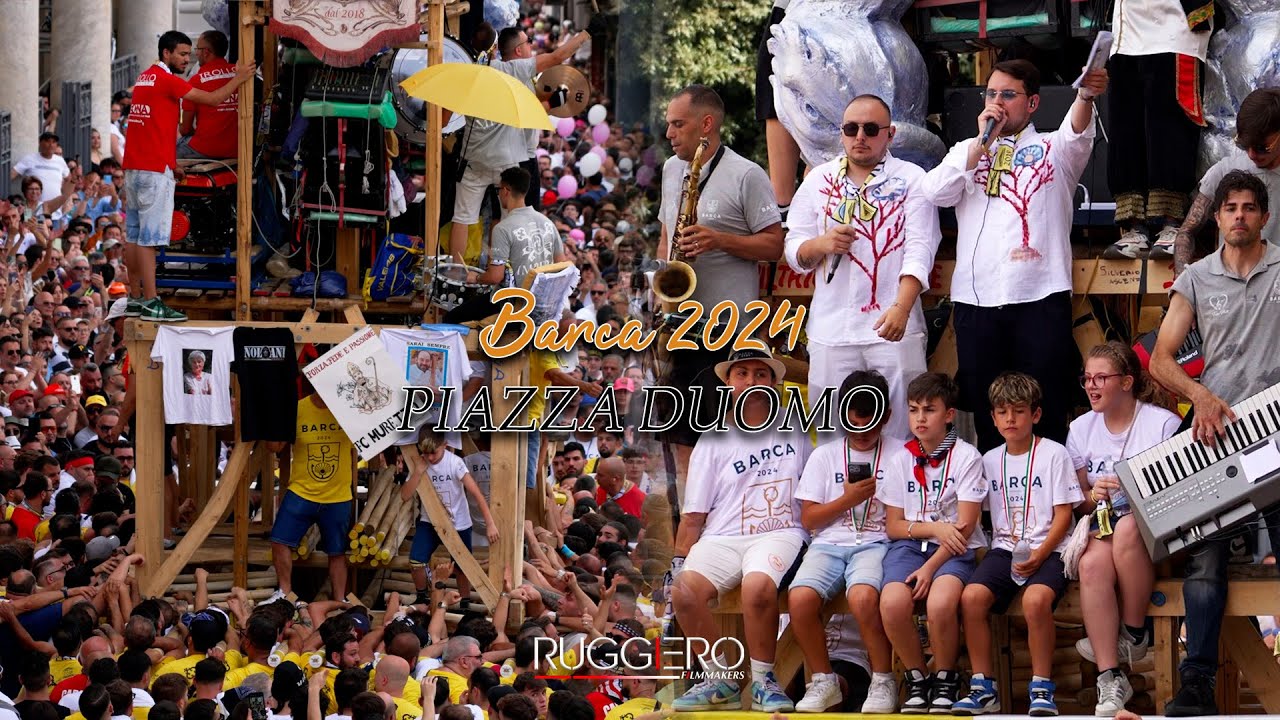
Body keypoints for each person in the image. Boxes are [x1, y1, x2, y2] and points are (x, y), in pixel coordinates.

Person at [918, 60, 1109, 451]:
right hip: (978, 301)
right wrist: (978, 148)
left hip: (1039, 299)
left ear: (1033, 103)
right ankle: (996, 510)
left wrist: (1086, 94)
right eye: (991, 93)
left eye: (1009, 94)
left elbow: (1077, 133)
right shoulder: (967, 150)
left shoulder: (1051, 148)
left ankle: (1052, 504)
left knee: (1046, 407)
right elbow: (935, 192)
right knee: (991, 414)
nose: (997, 102)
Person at [1150, 170, 1280, 715]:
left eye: (1250, 207)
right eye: (1230, 208)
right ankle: (1197, 683)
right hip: (1219, 432)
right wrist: (1199, 396)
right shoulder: (1197, 278)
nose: (1240, 216)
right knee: (1203, 562)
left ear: (1264, 217)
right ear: (1218, 217)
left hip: (1275, 427)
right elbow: (1159, 360)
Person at [784, 94, 940, 442]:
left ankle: (899, 497)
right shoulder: (818, 181)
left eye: (871, 129)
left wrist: (901, 308)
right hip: (831, 329)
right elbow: (794, 250)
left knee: (903, 431)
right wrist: (822, 244)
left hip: (893, 325)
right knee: (831, 436)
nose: (860, 136)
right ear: (841, 133)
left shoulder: (912, 179)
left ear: (891, 134)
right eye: (851, 128)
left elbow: (920, 249)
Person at [669, 348, 809, 713]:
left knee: (758, 585)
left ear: (775, 383)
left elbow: (811, 492)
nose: (751, 381)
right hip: (723, 536)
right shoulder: (712, 438)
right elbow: (694, 514)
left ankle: (764, 679)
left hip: (780, 530)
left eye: (761, 374)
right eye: (742, 373)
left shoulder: (794, 428)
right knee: (683, 591)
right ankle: (720, 678)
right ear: (729, 383)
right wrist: (677, 563)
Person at [657, 84, 783, 476]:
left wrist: (719, 240)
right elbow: (666, 235)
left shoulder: (747, 174)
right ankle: (689, 521)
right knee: (680, 433)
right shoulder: (671, 169)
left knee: (724, 436)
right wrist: (663, 285)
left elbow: (775, 245)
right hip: (682, 324)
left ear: (706, 124)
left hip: (730, 329)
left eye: (678, 124)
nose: (669, 134)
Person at [954, 372, 1083, 716]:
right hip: (1005, 548)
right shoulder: (988, 459)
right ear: (993, 418)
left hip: (1051, 549)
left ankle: (1042, 686)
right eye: (1002, 412)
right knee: (971, 598)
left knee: (1036, 600)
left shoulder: (1054, 454)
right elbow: (974, 510)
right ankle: (984, 686)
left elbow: (1063, 516)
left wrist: (1041, 553)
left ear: (1035, 415)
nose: (1010, 419)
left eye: (1019, 411)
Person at [1067, 342, 1180, 716]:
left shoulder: (1162, 423)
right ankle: (1110, 679)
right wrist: (1091, 493)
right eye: (1087, 378)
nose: (1091, 386)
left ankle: (1133, 634)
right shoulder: (1080, 428)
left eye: (1101, 378)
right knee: (1090, 565)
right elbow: (1078, 501)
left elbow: (1177, 493)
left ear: (1127, 382)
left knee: (1129, 529)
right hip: (1102, 525)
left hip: (1153, 531)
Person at [120, 30, 254, 323]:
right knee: (149, 240)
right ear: (166, 53)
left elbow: (157, 126)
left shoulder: (145, 78)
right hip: (153, 170)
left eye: (189, 53)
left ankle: (135, 298)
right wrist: (240, 77)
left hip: (136, 167)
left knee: (133, 235)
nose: (187, 59)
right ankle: (153, 302)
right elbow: (214, 98)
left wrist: (172, 163)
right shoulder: (169, 80)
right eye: (182, 54)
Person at [787, 370, 900, 713]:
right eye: (854, 426)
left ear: (887, 417)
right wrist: (847, 500)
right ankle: (824, 679)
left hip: (878, 541)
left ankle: (883, 680)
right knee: (800, 598)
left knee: (863, 597)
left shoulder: (900, 454)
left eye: (871, 426)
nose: (862, 434)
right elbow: (809, 519)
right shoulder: (825, 455)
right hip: (828, 543)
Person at [879, 372, 987, 713]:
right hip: (911, 546)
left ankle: (946, 676)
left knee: (941, 604)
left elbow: (966, 526)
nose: (920, 418)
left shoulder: (967, 456)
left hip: (954, 550)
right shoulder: (900, 460)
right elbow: (894, 526)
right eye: (913, 410)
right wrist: (934, 529)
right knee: (893, 603)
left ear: (949, 414)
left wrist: (930, 565)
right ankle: (917, 677)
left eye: (929, 410)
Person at [446, 26, 591, 267]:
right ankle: (499, 271)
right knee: (508, 220)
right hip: (507, 163)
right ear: (499, 49)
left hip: (473, 161)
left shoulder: (467, 75)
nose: (531, 45)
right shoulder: (512, 70)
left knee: (462, 218)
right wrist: (587, 34)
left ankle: (454, 272)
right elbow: (557, 57)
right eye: (529, 41)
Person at [1100, 0, 1210, 259]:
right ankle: (1134, 228)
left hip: (1174, 26)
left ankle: (1172, 225)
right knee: (1126, 132)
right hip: (1126, 33)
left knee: (1168, 129)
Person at [1173, 88, 1280, 274]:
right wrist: (1182, 282)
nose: (1252, 154)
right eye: (1244, 145)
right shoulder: (1224, 171)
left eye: (1262, 148)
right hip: (1230, 291)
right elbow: (1187, 232)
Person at [444, 167, 569, 324]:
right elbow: (562, 266)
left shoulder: (503, 228)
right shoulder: (547, 223)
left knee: (450, 318)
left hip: (514, 304)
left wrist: (475, 277)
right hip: (543, 307)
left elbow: (496, 276)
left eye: (498, 190)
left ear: (505, 191)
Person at [267, 388, 355, 601]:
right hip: (301, 491)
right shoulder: (297, 409)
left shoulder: (350, 410)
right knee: (279, 540)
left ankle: (339, 600)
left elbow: (364, 445)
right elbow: (274, 447)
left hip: (338, 495)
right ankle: (284, 592)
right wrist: (274, 413)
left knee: (337, 552)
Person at [400, 434, 498, 605]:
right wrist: (417, 472)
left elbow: (476, 493)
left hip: (459, 523)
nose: (430, 458)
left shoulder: (455, 463)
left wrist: (490, 524)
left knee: (463, 566)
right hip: (429, 522)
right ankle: (422, 597)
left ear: (444, 445)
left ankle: (465, 603)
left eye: (434, 453)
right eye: (426, 454)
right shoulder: (420, 463)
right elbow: (405, 495)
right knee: (415, 561)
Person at [178, 31, 238, 160]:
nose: (196, 53)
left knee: (163, 153)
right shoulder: (239, 73)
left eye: (197, 49)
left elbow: (185, 129)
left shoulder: (196, 80)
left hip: (206, 149)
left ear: (206, 52)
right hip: (237, 148)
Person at [11, 133, 70, 205]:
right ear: (40, 142)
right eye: (48, 141)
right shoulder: (30, 158)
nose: (51, 145)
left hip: (55, 210)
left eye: (54, 142)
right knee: (28, 216)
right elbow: (11, 175)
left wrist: (63, 197)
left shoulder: (60, 160)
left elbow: (69, 179)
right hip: (31, 208)